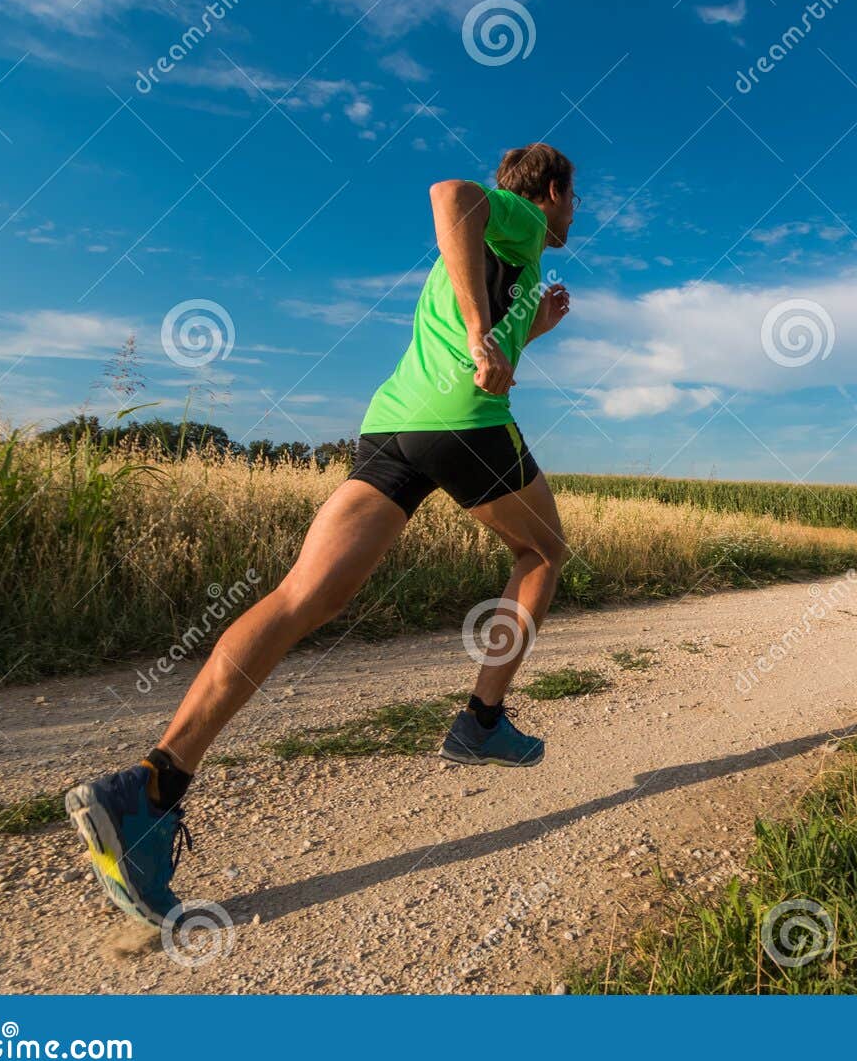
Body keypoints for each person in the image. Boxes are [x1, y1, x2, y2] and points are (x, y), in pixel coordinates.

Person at [66, 143, 579, 927]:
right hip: (462, 424)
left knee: (305, 594)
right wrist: (485, 331)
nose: (577, 212)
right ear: (552, 190)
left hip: (394, 423)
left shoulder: (508, 263)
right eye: (574, 198)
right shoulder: (519, 224)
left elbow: (484, 346)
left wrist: (522, 330)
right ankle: (480, 723)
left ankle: (152, 784)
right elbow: (450, 195)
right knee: (543, 551)